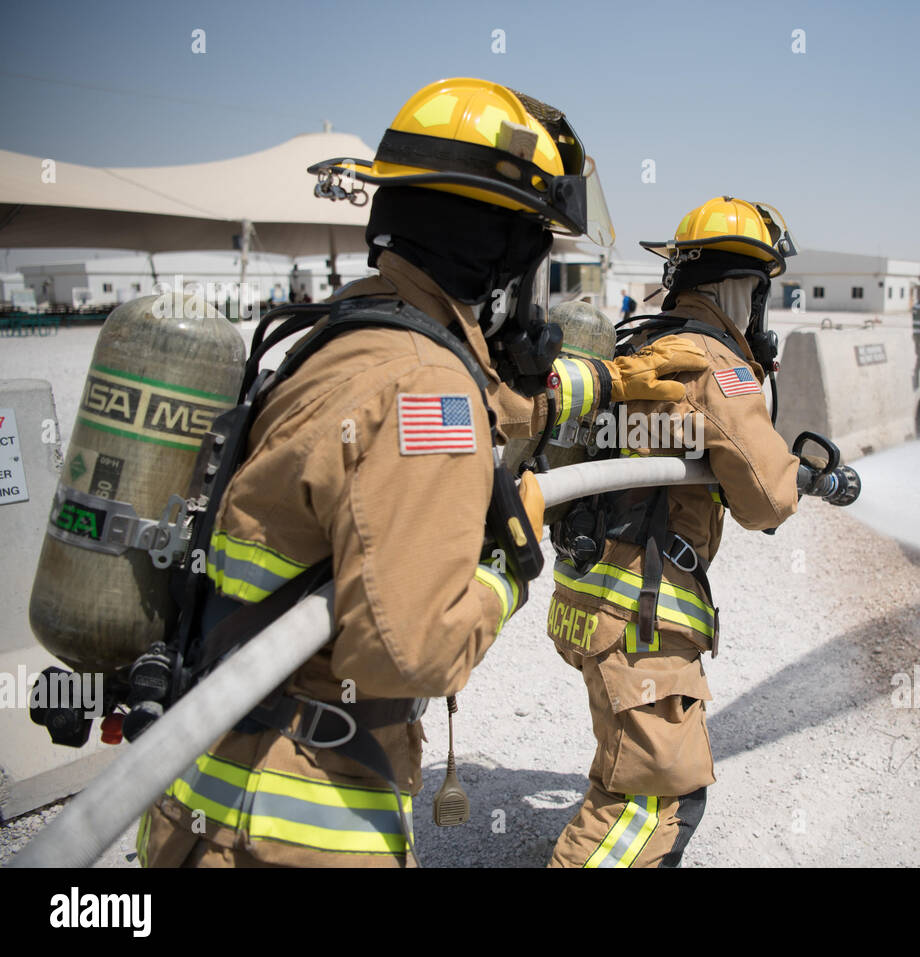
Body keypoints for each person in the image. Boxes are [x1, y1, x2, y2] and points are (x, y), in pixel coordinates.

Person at [137, 77, 705, 868]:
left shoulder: (353, 336)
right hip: (294, 833)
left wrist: (610, 381)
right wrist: (511, 561)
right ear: (502, 257)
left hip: (201, 800)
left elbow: (499, 406)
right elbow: (409, 653)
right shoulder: (425, 385)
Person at [546, 196, 802, 867]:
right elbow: (768, 499)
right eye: (759, 292)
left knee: (630, 764)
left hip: (588, 599)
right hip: (640, 617)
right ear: (738, 288)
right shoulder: (711, 365)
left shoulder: (637, 343)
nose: (758, 312)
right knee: (653, 797)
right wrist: (807, 473)